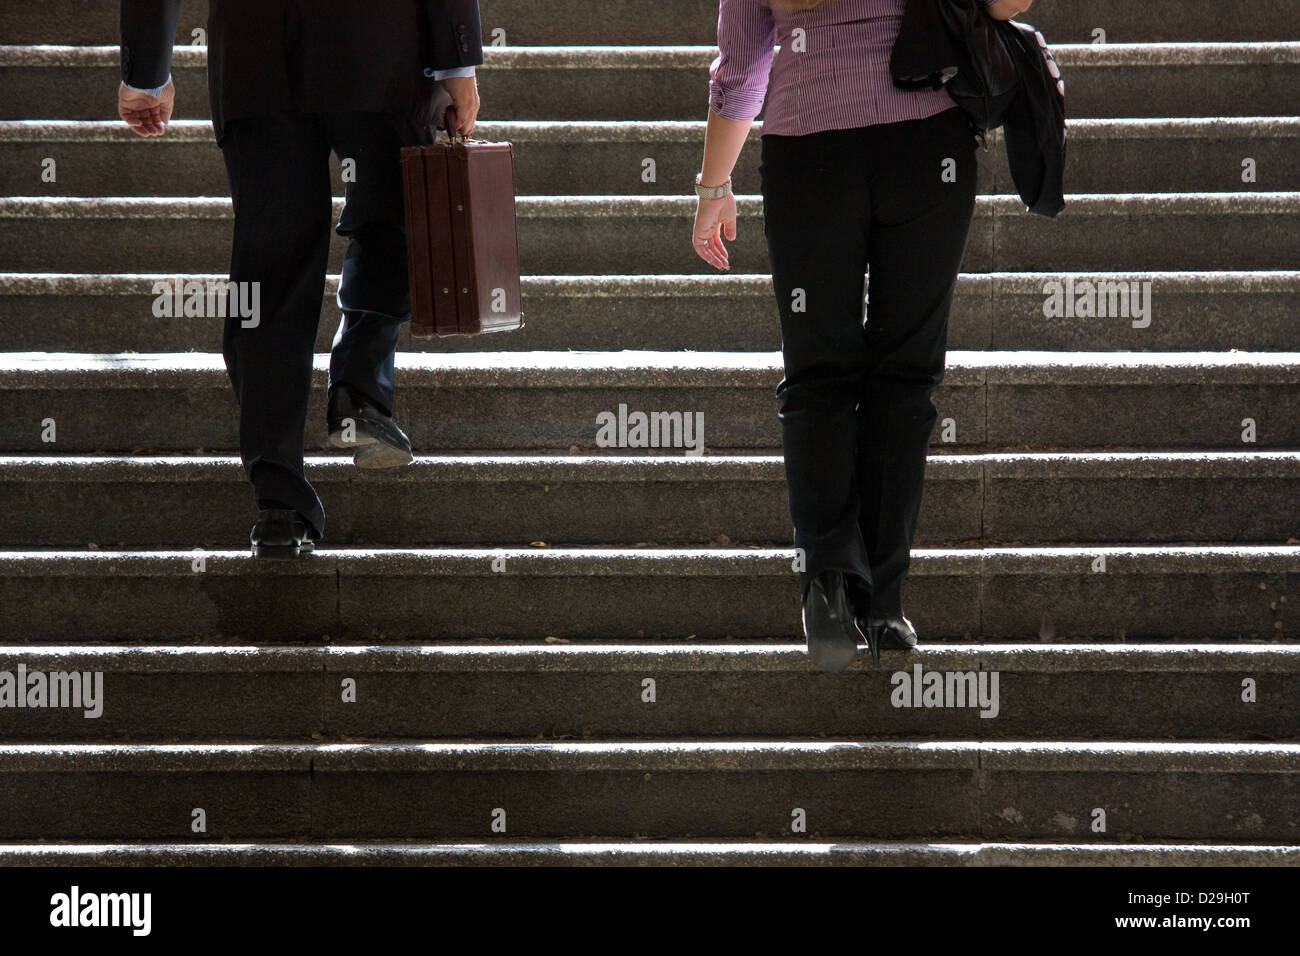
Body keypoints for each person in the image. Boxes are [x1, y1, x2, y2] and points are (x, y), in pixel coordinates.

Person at [692, 0, 1031, 670]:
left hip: (808, 153)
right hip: (925, 145)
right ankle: (884, 607)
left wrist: (713, 186)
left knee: (819, 372)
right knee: (906, 372)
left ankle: (827, 581)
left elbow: (740, 69)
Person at [117, 0, 484, 559]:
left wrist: (147, 70)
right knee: (391, 221)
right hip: (376, 45)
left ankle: (279, 501)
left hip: (257, 51)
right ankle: (361, 389)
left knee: (270, 271)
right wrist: (457, 62)